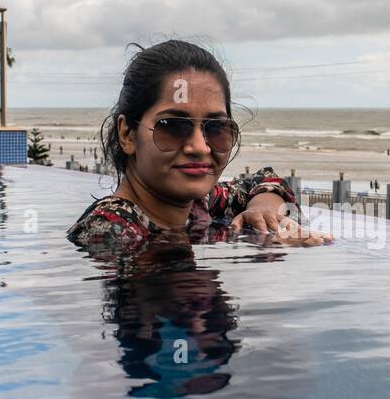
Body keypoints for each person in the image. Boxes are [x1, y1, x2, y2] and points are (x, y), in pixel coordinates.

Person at [67, 40, 333, 250]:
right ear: (127, 134)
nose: (200, 147)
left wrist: (263, 211)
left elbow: (264, 180)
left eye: (215, 128)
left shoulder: (197, 207)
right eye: (172, 127)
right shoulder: (111, 230)